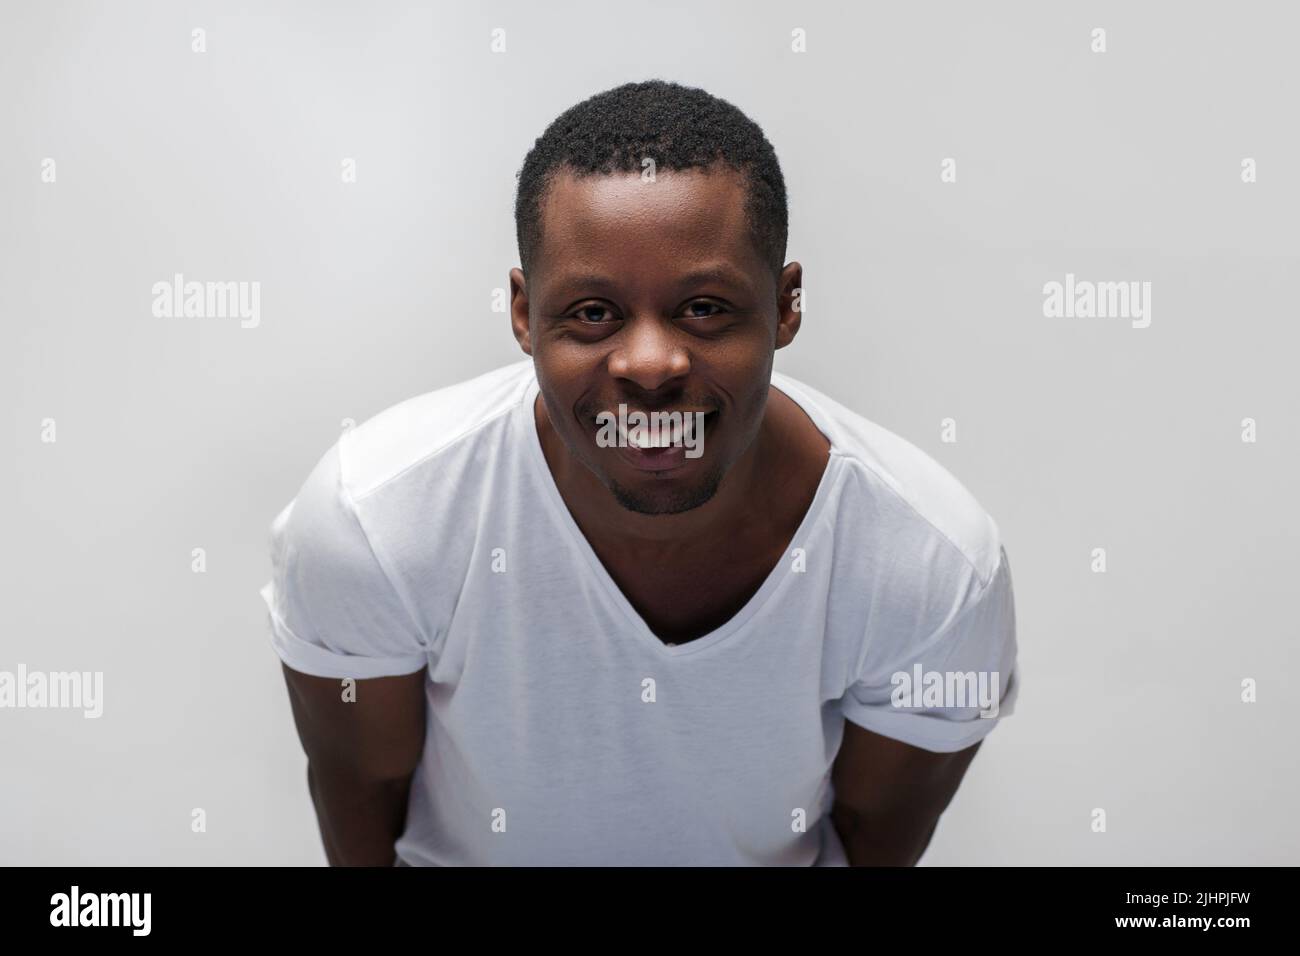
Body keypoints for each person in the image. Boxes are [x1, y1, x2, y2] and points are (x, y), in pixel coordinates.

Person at [260, 79, 1019, 866]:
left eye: (704, 308)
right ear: (524, 314)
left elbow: (872, 843)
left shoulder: (933, 566)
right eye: (593, 312)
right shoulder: (375, 522)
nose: (650, 364)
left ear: (786, 305)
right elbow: (360, 801)